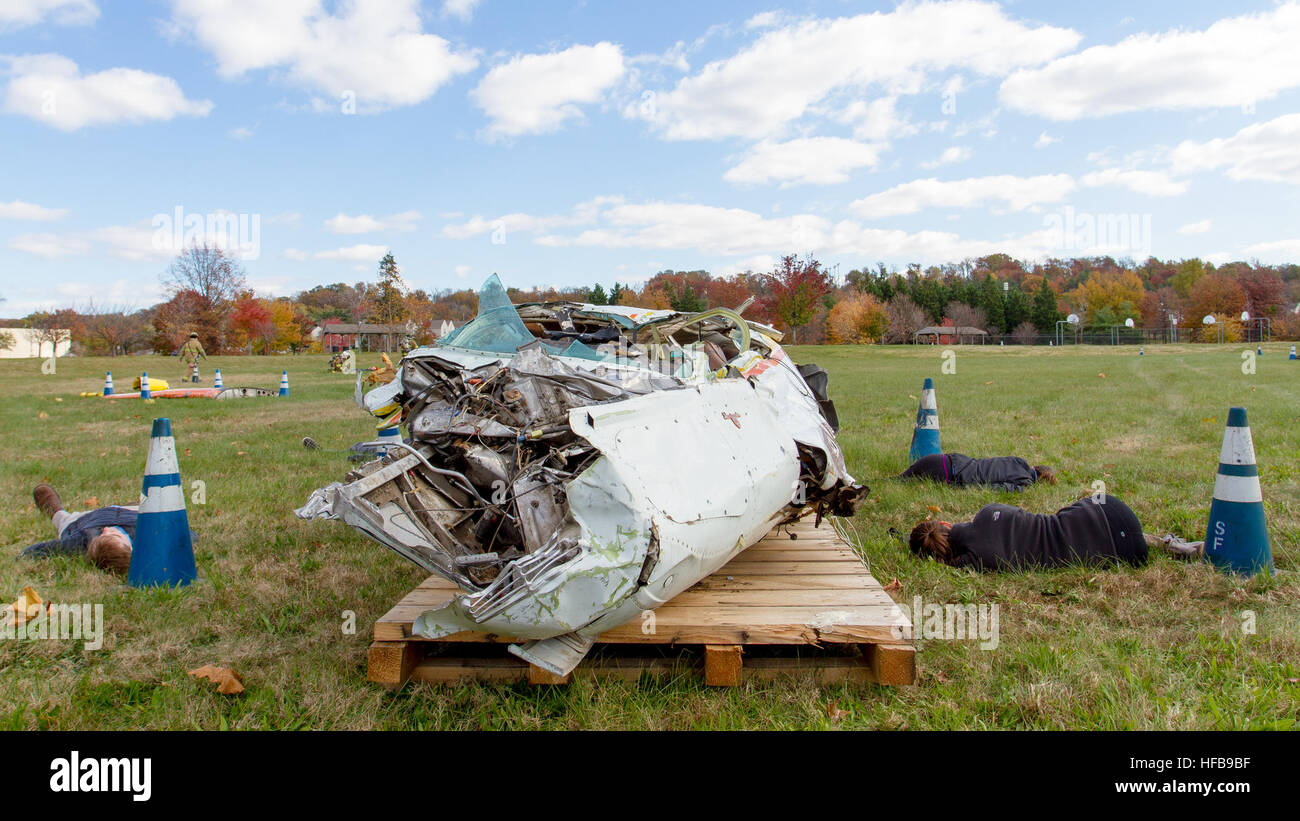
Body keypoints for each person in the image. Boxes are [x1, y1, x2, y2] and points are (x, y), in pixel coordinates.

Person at [908, 495, 1148, 571]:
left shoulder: (974, 562)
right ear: (947, 524)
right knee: (1060, 518)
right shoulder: (988, 512)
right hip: (1109, 509)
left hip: (1126, 553)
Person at [21, 484, 136, 573]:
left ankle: (56, 512)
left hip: (86, 519)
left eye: (102, 535)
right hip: (133, 512)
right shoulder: (145, 536)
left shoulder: (78, 542)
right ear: (131, 547)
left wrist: (23, 556)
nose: (106, 529)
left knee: (64, 521)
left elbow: (33, 551)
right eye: (115, 535)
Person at [900, 453, 1055, 491]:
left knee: (899, 479)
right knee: (901, 480)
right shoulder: (1023, 483)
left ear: (1035, 467)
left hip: (948, 459)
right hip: (951, 474)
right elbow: (998, 487)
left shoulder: (1019, 461)